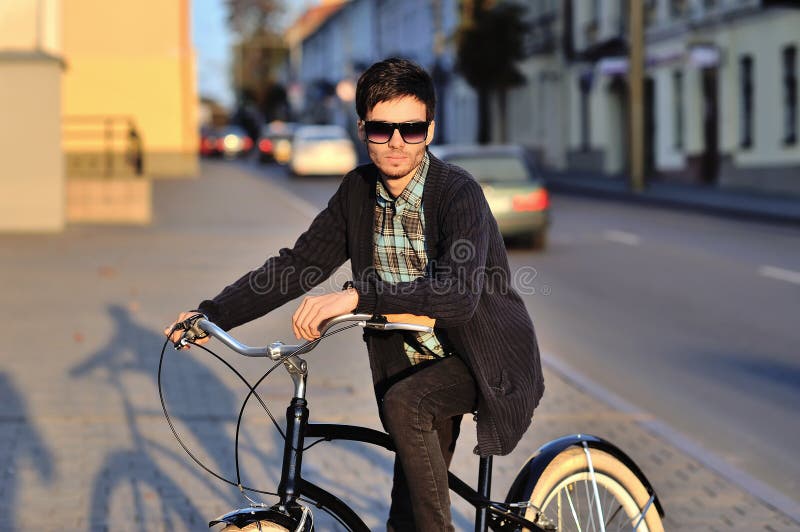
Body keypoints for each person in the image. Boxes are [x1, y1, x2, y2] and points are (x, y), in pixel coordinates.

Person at [166, 57, 544, 531]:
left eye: (412, 128)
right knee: (406, 514)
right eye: (383, 129)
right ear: (363, 128)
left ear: (430, 128)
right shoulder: (357, 192)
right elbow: (298, 265)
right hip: (406, 366)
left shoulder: (457, 193)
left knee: (408, 411)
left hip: (483, 359)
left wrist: (356, 297)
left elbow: (457, 295)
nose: (397, 143)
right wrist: (213, 314)